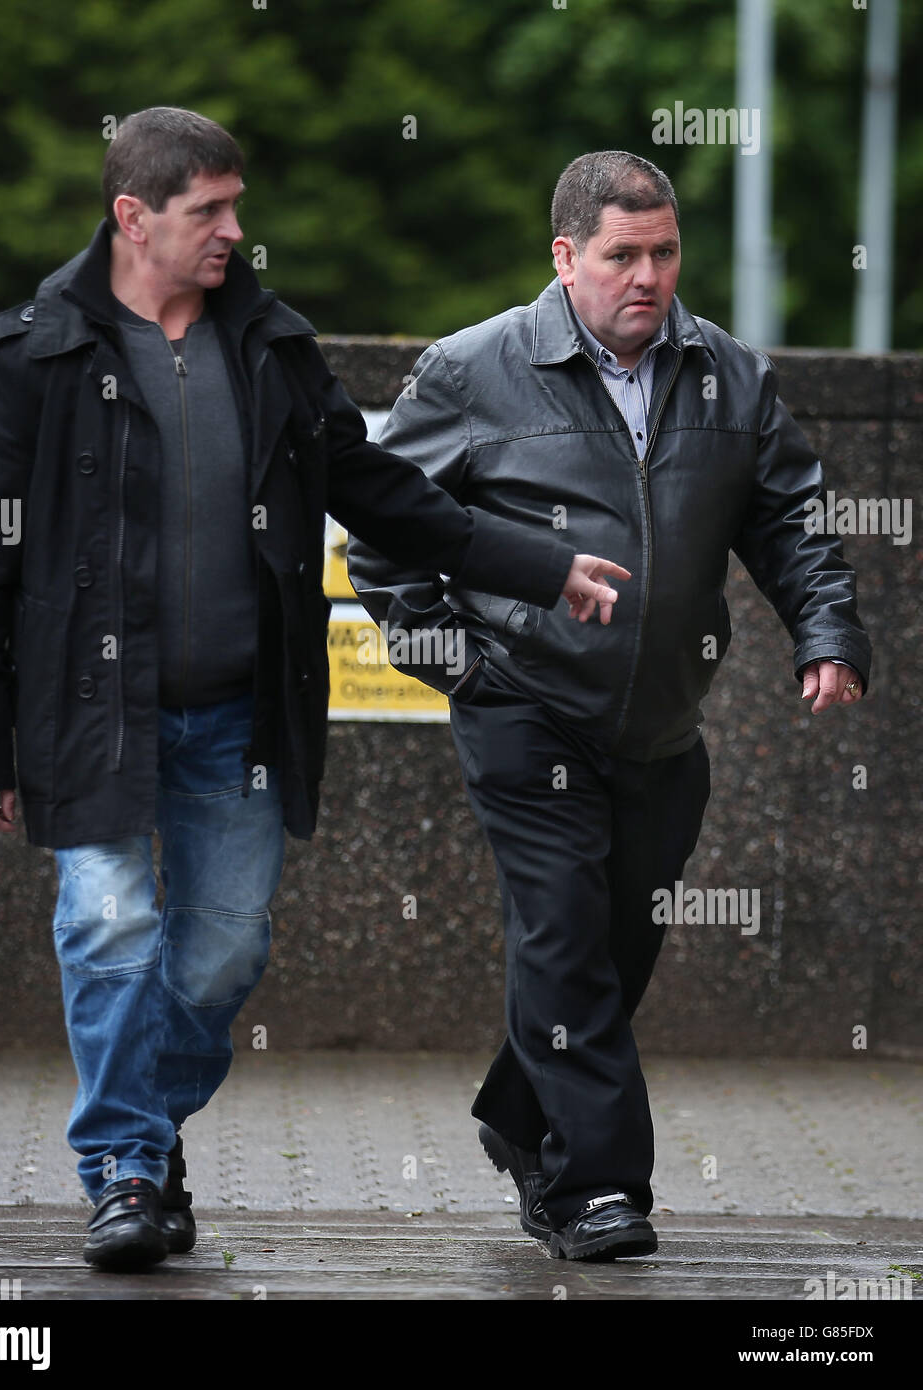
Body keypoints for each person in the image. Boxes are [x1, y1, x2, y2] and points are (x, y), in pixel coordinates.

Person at [0, 109, 622, 1271]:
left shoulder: (274, 347)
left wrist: (540, 564)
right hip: (86, 711)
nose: (235, 231)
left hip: (239, 715)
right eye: (210, 211)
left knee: (218, 959)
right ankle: (127, 1169)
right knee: (108, 927)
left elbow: (382, 490)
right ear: (132, 217)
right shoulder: (31, 350)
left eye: (236, 205)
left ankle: (145, 1134)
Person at [347, 150, 871, 1262]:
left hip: (664, 727)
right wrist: (465, 668)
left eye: (664, 252)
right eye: (621, 255)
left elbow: (791, 523)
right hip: (523, 708)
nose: (647, 275)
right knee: (566, 938)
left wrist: (826, 633)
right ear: (565, 256)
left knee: (616, 948)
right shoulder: (471, 370)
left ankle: (517, 1110)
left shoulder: (731, 376)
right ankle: (597, 1188)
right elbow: (382, 540)